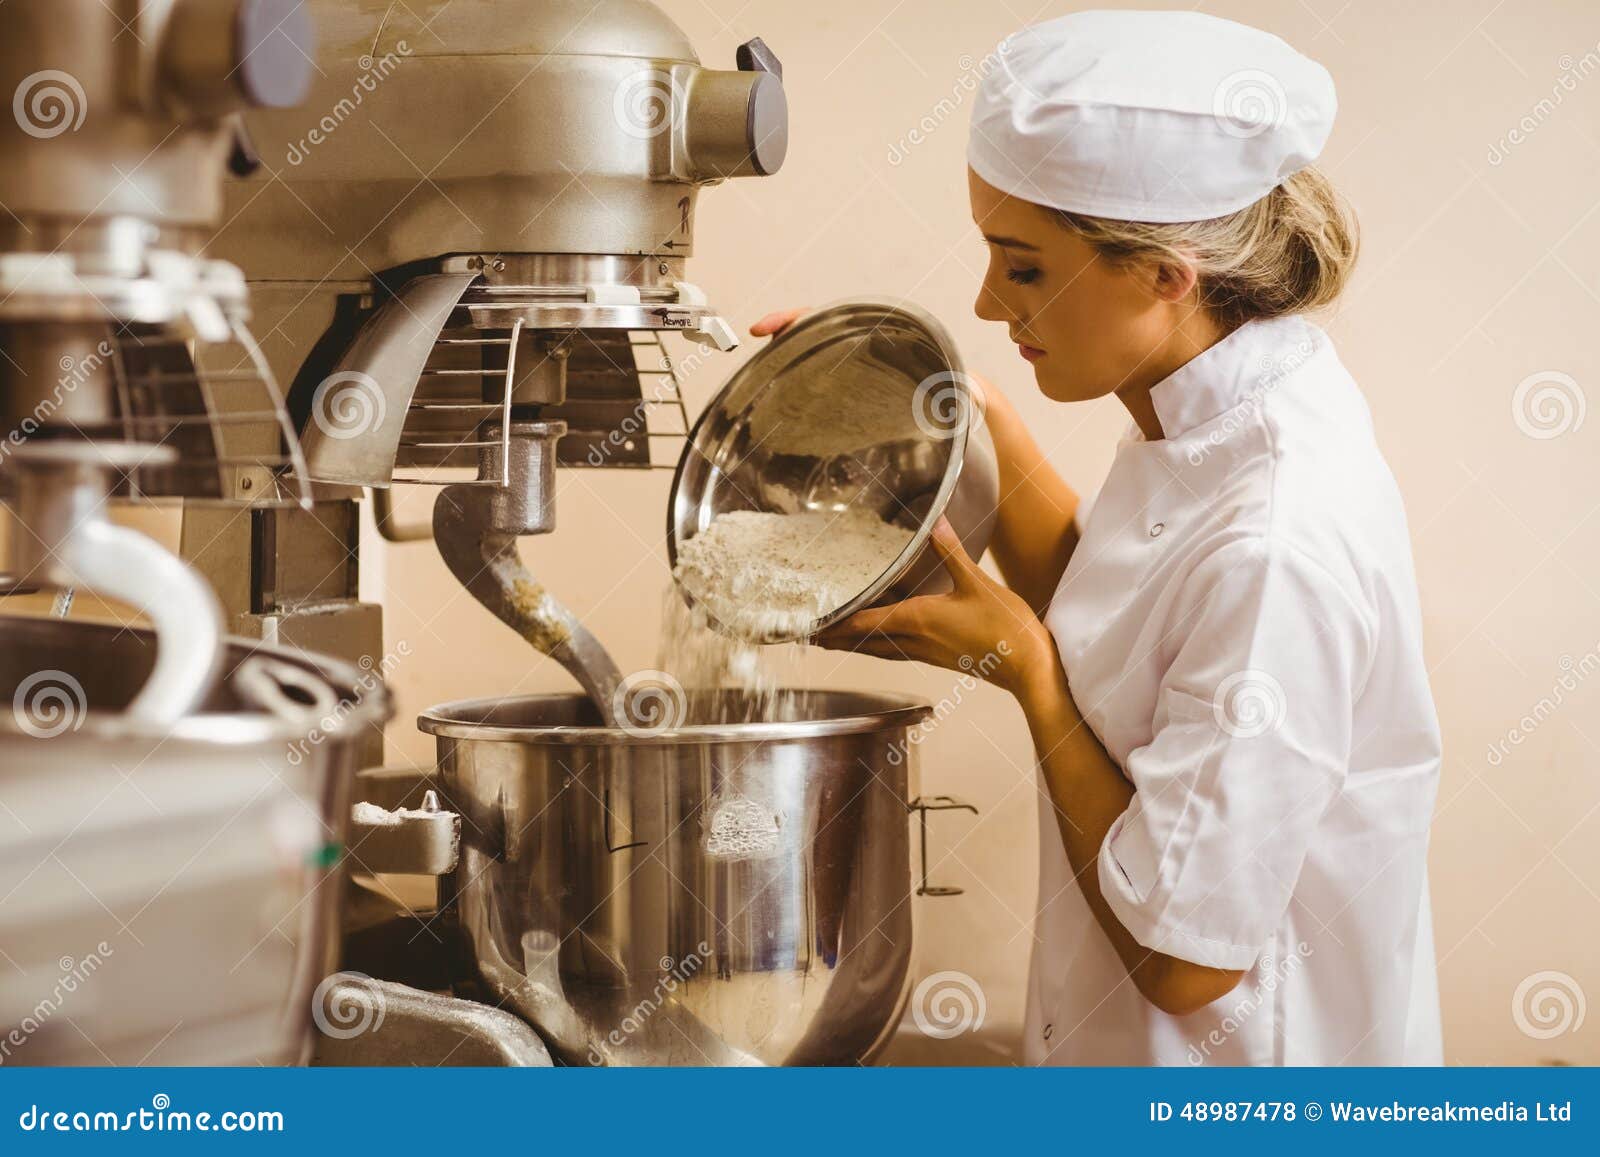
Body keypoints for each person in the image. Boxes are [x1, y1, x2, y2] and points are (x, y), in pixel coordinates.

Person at [754, 9, 1442, 1065]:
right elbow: (1135, 628)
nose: (989, 302)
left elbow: (1185, 958)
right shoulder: (1213, 402)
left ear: (1166, 272)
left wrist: (1025, 671)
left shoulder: (1276, 541)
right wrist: (963, 407)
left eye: (1022, 267)